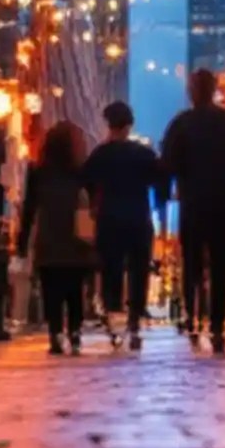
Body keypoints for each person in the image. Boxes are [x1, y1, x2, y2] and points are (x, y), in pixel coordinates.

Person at [162, 69, 225, 354]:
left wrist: (168, 189)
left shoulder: (181, 125)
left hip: (193, 201)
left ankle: (192, 318)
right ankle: (217, 324)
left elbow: (167, 164)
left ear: (192, 91)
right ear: (214, 89)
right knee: (221, 264)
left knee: (192, 262)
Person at [82, 101, 164, 351]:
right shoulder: (144, 154)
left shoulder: (100, 155)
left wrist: (95, 207)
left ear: (109, 124)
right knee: (139, 270)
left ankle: (114, 321)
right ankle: (135, 320)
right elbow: (160, 181)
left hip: (110, 219)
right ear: (129, 125)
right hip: (139, 217)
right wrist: (158, 207)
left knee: (111, 270)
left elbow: (86, 182)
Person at [18, 121, 97, 356]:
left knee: (51, 289)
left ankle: (55, 333)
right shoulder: (82, 172)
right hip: (75, 240)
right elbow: (90, 206)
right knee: (74, 290)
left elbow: (29, 209)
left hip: (49, 239)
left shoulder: (38, 172)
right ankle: (74, 332)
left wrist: (22, 244)